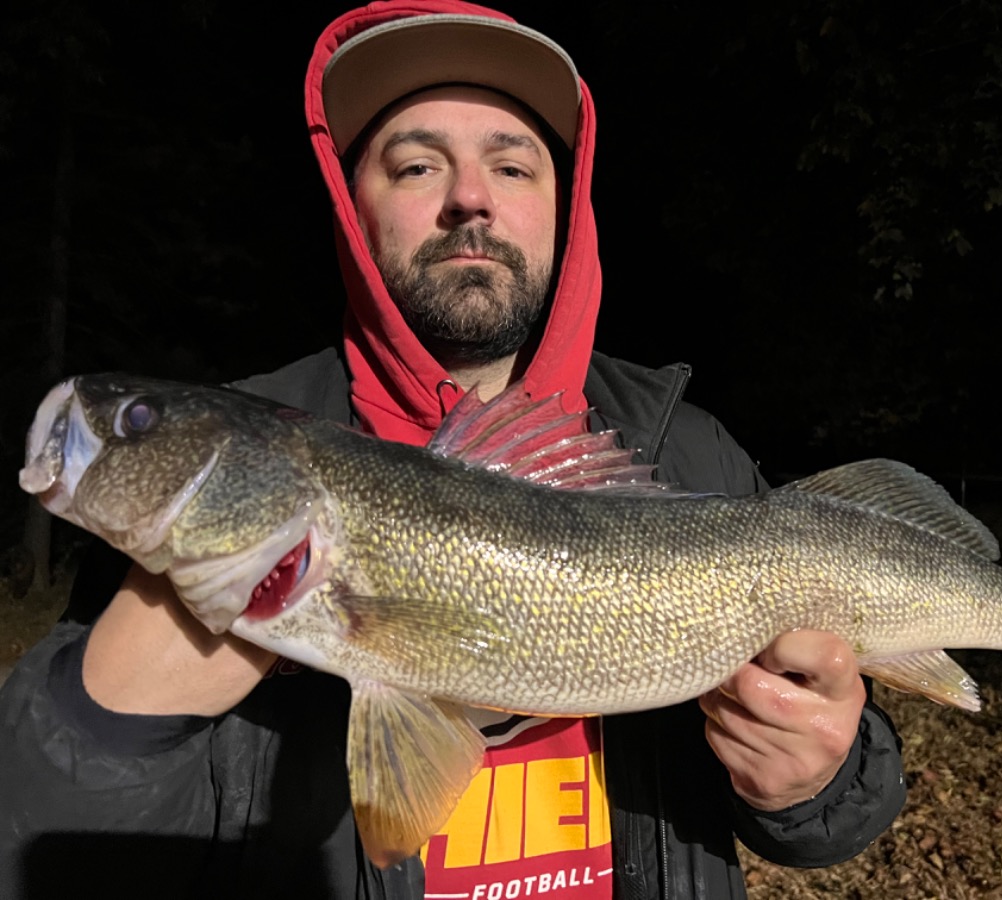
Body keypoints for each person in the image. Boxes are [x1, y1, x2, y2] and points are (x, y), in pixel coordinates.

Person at [0, 2, 906, 897]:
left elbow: (837, 814)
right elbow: (46, 851)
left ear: (566, 211)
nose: (469, 198)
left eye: (512, 166)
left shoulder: (689, 451)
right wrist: (100, 723)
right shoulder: (252, 449)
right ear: (353, 211)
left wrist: (818, 782)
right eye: (417, 164)